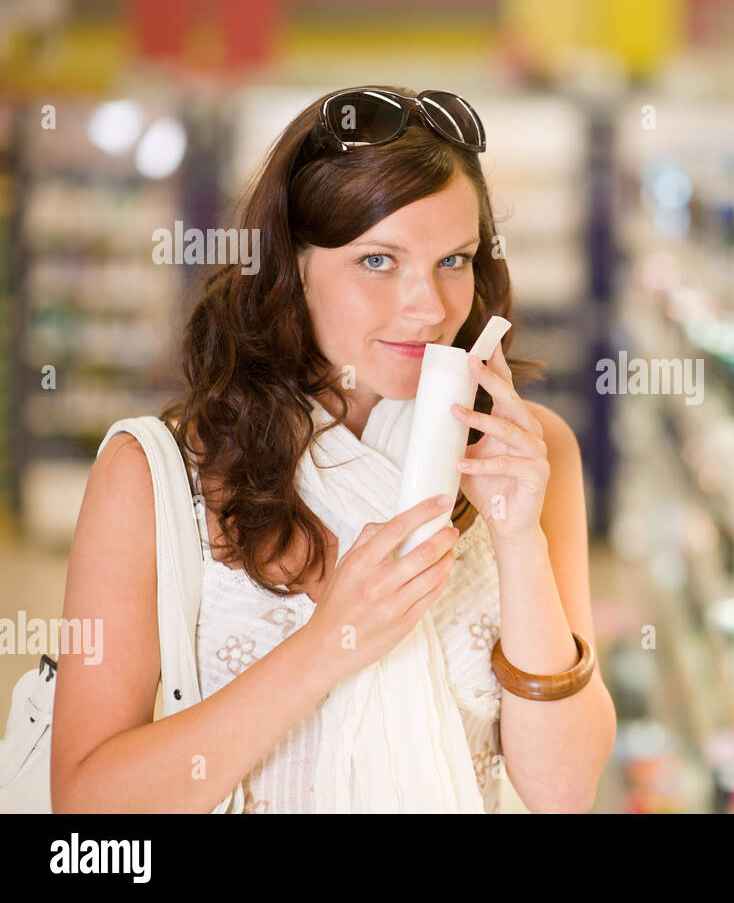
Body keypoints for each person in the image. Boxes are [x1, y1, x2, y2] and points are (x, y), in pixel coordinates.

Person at [49, 86, 616, 813]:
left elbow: (565, 791)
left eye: (454, 259)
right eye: (378, 261)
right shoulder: (155, 477)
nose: (430, 307)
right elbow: (88, 804)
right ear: (290, 266)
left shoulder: (530, 456)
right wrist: (328, 646)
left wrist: (518, 541)